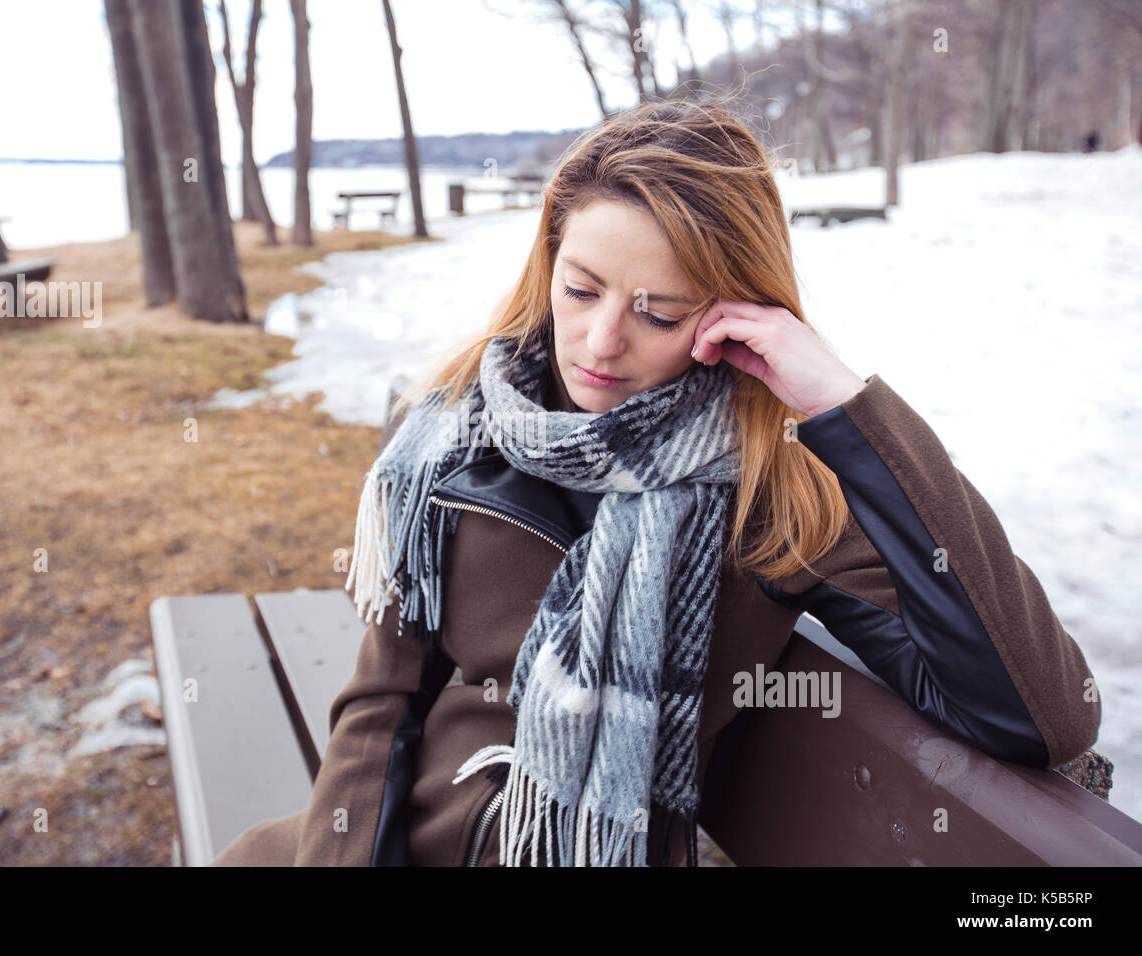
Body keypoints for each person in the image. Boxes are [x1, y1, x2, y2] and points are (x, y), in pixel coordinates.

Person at [210, 98, 1102, 868]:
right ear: (546, 268)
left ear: (734, 315)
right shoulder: (450, 437)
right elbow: (381, 704)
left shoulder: (771, 503)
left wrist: (844, 406)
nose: (602, 342)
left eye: (658, 311)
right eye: (582, 289)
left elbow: (1040, 714)